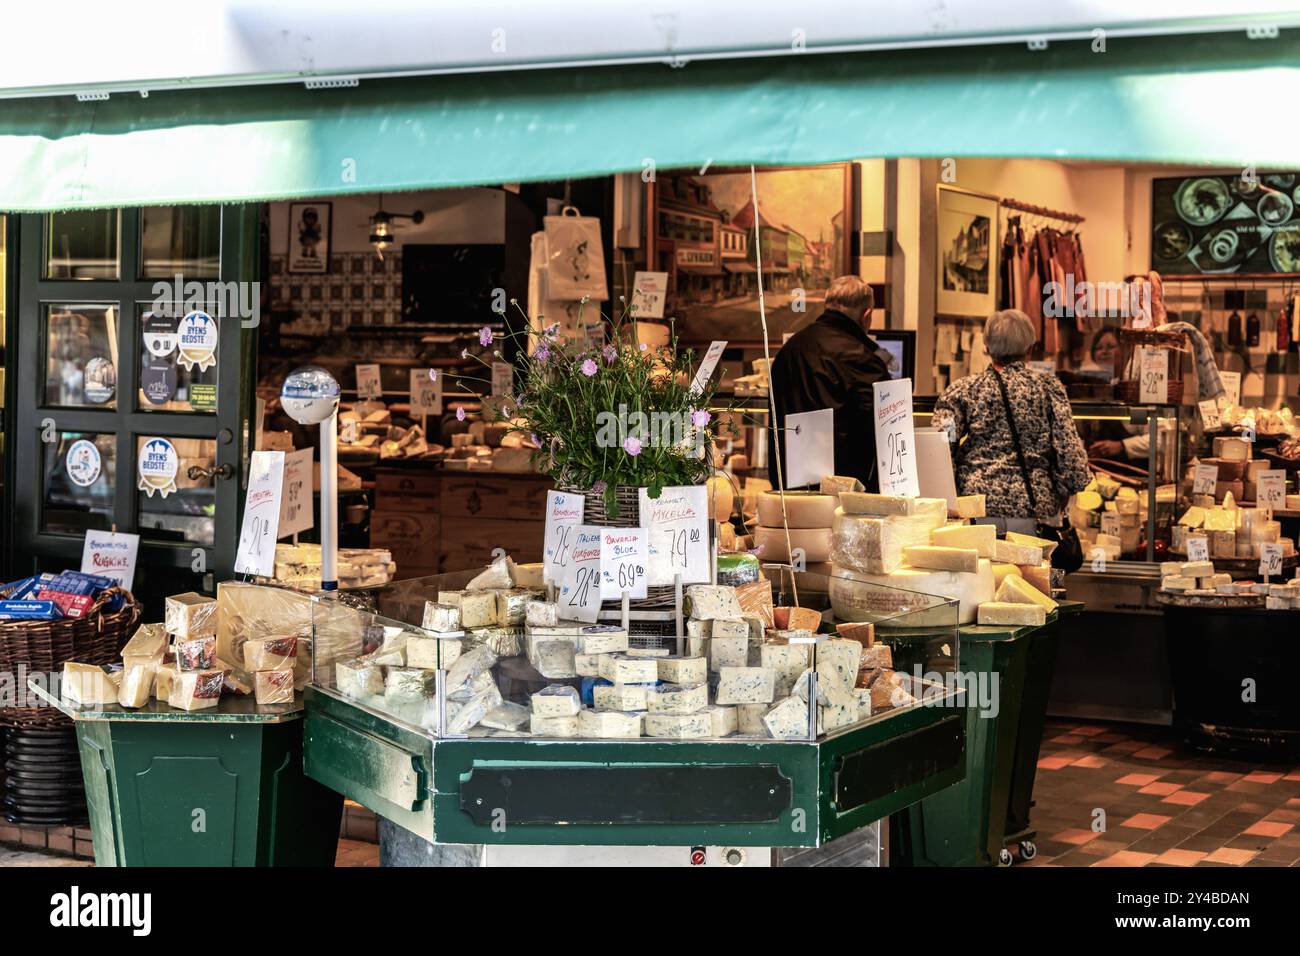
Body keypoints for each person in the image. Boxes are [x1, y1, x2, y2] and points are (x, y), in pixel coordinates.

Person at [932, 309, 1092, 534]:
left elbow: (939, 446)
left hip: (977, 509)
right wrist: (1067, 490)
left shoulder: (962, 390)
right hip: (1033, 509)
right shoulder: (1048, 388)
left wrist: (950, 499)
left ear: (986, 347)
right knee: (1029, 570)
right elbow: (1068, 451)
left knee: (985, 570)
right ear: (1030, 348)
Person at [768, 276, 891, 490]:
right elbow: (883, 430)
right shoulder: (861, 358)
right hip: (841, 492)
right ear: (867, 315)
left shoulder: (789, 350)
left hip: (787, 485)